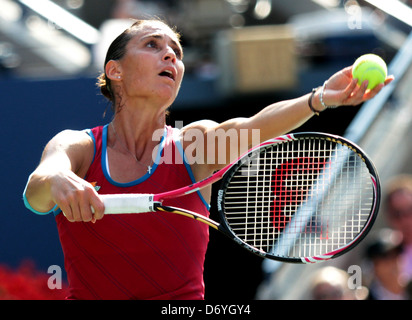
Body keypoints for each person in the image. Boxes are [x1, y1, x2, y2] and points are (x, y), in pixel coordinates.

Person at [22, 18, 393, 300]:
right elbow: (37, 193)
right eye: (152, 45)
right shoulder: (78, 147)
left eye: (177, 52)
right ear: (114, 70)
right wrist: (59, 180)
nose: (170, 55)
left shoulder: (194, 145)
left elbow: (254, 128)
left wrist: (321, 98)